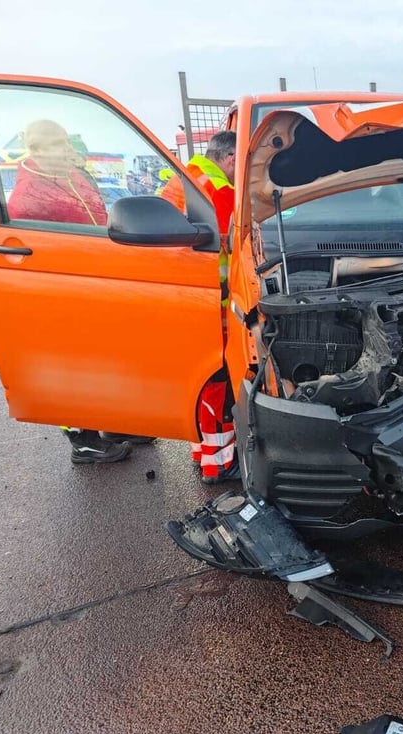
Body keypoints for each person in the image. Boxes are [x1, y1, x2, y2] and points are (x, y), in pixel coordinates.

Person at [6, 120, 133, 464]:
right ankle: (84, 439)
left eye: (65, 143)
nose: (65, 150)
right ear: (35, 150)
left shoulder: (71, 176)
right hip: (64, 287)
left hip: (94, 278)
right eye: (56, 145)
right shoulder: (27, 195)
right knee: (71, 366)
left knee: (104, 359)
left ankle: (117, 422)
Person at [159, 131, 239, 484]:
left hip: (185, 298)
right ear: (233, 159)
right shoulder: (218, 191)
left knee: (200, 378)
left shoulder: (187, 178)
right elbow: (238, 245)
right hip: (211, 300)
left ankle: (203, 452)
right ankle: (219, 464)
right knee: (218, 380)